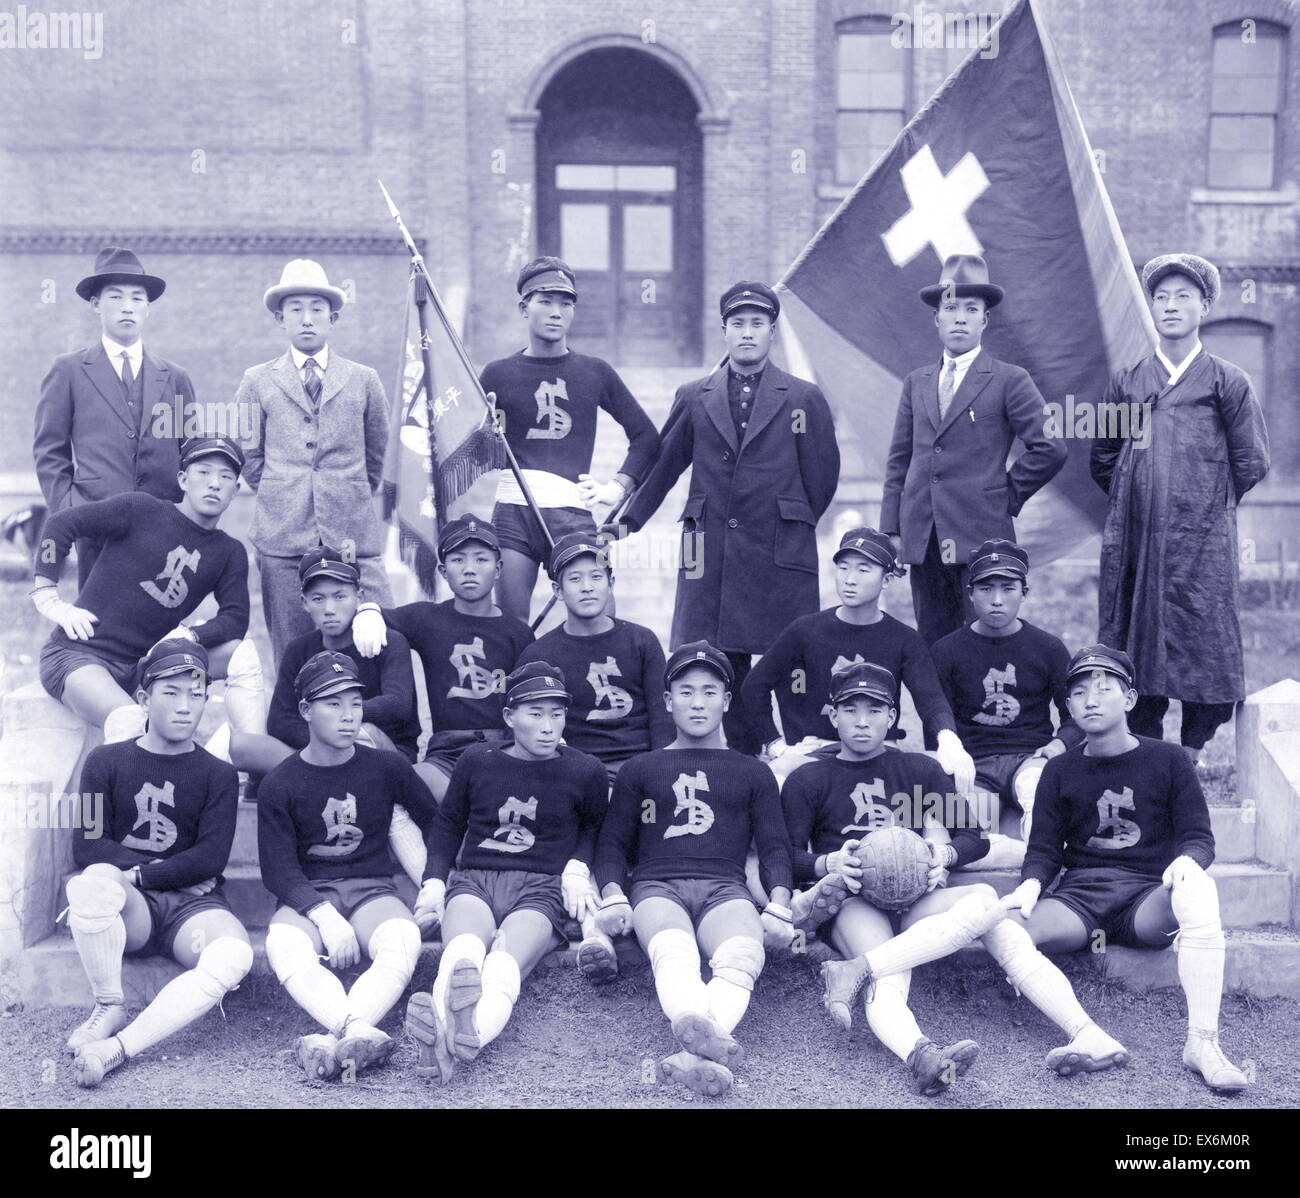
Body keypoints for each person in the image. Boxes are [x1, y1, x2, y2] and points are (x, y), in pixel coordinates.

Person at [800, 662, 1129, 1095]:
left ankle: (1085, 1031)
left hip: (916, 894)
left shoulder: (919, 770)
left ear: (893, 716)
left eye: (875, 710)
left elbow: (974, 837)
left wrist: (945, 854)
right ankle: (921, 1055)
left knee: (987, 904)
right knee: (889, 973)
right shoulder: (809, 778)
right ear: (832, 714)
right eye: (851, 709)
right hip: (854, 898)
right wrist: (828, 864)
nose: (863, 721)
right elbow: (785, 857)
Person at [1004, 644, 1249, 1093]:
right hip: (1080, 900)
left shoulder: (1169, 760)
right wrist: (1032, 884)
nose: (1091, 701)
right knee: (1005, 928)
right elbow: (1044, 850)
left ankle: (1203, 1043)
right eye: (1080, 693)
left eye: (1104, 689)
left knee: (1198, 888)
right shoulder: (1058, 770)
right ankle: (1084, 1033)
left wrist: (1187, 863)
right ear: (1069, 705)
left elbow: (1199, 838)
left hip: (1145, 900)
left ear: (1130, 699)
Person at [610, 282, 840, 748]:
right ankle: (744, 756)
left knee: (791, 657)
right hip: (710, 549)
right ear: (724, 331)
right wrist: (626, 521)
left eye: (757, 324)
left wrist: (790, 518)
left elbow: (822, 477)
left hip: (779, 547)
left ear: (772, 331)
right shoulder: (695, 396)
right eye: (738, 324)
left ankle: (804, 757)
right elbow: (664, 466)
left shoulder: (803, 398)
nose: (747, 333)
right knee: (720, 661)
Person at [593, 642, 795, 1098]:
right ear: (668, 701)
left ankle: (693, 1057)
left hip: (725, 886)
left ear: (727, 700)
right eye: (686, 692)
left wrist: (780, 902)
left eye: (709, 692)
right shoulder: (640, 768)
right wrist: (612, 892)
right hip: (656, 884)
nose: (698, 702)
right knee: (675, 952)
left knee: (743, 954)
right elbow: (612, 844)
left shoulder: (752, 771)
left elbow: (775, 848)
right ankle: (706, 1046)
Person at [1091, 254, 1269, 761]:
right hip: (1137, 538)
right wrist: (1140, 496)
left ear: (1204, 306)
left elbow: (1251, 460)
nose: (1170, 306)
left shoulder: (1226, 381)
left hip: (1202, 540)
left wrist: (1199, 502)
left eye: (1183, 296)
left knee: (1204, 639)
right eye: (1161, 297)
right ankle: (1147, 752)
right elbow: (1103, 458)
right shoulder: (1128, 381)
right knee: (1135, 642)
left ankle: (1191, 753)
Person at [403, 662, 607, 1084]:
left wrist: (577, 867)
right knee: (462, 955)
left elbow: (594, 829)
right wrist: (435, 880)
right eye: (536, 713)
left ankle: (462, 1034)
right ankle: (447, 1034)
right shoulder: (477, 760)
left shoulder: (585, 769)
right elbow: (449, 824)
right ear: (509, 716)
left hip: (540, 887)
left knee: (503, 963)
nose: (548, 726)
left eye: (557, 714)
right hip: (477, 878)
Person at [61, 640, 253, 1089]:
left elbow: (211, 858)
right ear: (145, 699)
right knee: (94, 880)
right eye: (172, 692)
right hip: (132, 906)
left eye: (196, 694)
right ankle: (110, 1004)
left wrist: (149, 872)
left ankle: (119, 1047)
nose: (186, 706)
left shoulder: (219, 774)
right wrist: (157, 874)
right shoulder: (104, 761)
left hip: (192, 910)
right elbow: (87, 845)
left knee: (235, 955)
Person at [258, 651, 437, 1082]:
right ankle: (354, 1029)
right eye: (333, 704)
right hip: (309, 892)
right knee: (284, 943)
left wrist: (435, 884)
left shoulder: (387, 766)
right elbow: (277, 870)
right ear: (306, 710)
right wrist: (322, 914)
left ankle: (334, 1036)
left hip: (371, 888)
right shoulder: (280, 781)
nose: (348, 715)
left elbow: (437, 825)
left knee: (402, 938)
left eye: (355, 703)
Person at [30, 435, 263, 753]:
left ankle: (249, 756)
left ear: (235, 491)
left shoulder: (228, 552)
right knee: (130, 722)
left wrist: (190, 635)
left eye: (225, 477)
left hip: (147, 664)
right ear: (183, 479)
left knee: (240, 654)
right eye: (204, 472)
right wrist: (47, 595)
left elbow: (235, 620)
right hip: (81, 656)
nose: (214, 484)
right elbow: (60, 524)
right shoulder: (140, 509)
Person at [880, 254, 1066, 646]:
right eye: (950, 308)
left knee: (983, 641)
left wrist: (1004, 494)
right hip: (925, 537)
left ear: (985, 319)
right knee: (933, 642)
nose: (960, 318)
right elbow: (899, 460)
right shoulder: (917, 382)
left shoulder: (1009, 379)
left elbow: (1050, 447)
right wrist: (892, 530)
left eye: (971, 309)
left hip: (982, 536)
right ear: (936, 318)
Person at [515, 532, 674, 980]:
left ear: (611, 582)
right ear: (556, 589)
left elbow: (661, 720)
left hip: (638, 768)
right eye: (574, 578)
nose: (587, 586)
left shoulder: (641, 641)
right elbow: (537, 729)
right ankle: (595, 928)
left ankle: (618, 916)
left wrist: (657, 771)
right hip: (579, 772)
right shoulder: (541, 652)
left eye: (596, 576)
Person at [480, 256, 659, 622]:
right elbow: (478, 455)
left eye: (565, 303)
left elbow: (646, 436)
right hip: (514, 513)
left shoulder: (594, 372)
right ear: (523, 307)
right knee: (511, 626)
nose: (556, 312)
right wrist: (486, 434)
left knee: (602, 622)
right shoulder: (496, 374)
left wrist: (617, 488)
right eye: (545, 301)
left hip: (572, 514)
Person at [237, 259, 394, 668]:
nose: (307, 319)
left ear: (333, 317)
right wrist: (285, 492)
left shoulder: (363, 379)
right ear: (280, 318)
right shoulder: (257, 380)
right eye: (295, 309)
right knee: (293, 650)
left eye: (317, 309)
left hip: (350, 534)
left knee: (373, 642)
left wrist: (343, 491)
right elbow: (250, 455)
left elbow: (377, 453)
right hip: (282, 536)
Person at [737, 527, 973, 794]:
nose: (850, 579)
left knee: (946, 775)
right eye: (843, 568)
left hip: (882, 751)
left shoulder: (904, 638)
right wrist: (776, 746)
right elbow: (754, 686)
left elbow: (930, 698)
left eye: (863, 569)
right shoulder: (805, 630)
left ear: (886, 580)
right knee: (772, 781)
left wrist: (948, 738)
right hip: (818, 751)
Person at [34, 247, 198, 588]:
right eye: (116, 297)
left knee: (160, 616)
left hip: (163, 527)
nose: (127, 306)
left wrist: (185, 514)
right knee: (97, 617)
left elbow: (191, 450)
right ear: (96, 304)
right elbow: (50, 452)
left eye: (137, 298)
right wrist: (71, 512)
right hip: (96, 526)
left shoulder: (175, 377)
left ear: (148, 308)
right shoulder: (68, 370)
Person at [351, 516, 534, 806]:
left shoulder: (518, 632)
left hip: (503, 747)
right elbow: (381, 617)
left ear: (498, 569)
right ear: (443, 570)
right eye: (458, 560)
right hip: (447, 753)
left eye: (481, 559)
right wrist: (369, 611)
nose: (470, 569)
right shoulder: (426, 618)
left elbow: (527, 698)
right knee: (403, 794)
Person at [929, 539, 1082, 855]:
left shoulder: (1048, 648)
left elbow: (1076, 714)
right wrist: (954, 757)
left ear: (1024, 593)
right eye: (986, 589)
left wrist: (1058, 745)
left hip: (1030, 757)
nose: (996, 600)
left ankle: (1042, 863)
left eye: (1008, 589)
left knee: (1036, 793)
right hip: (975, 765)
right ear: (970, 593)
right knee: (959, 828)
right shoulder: (947, 651)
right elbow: (937, 717)